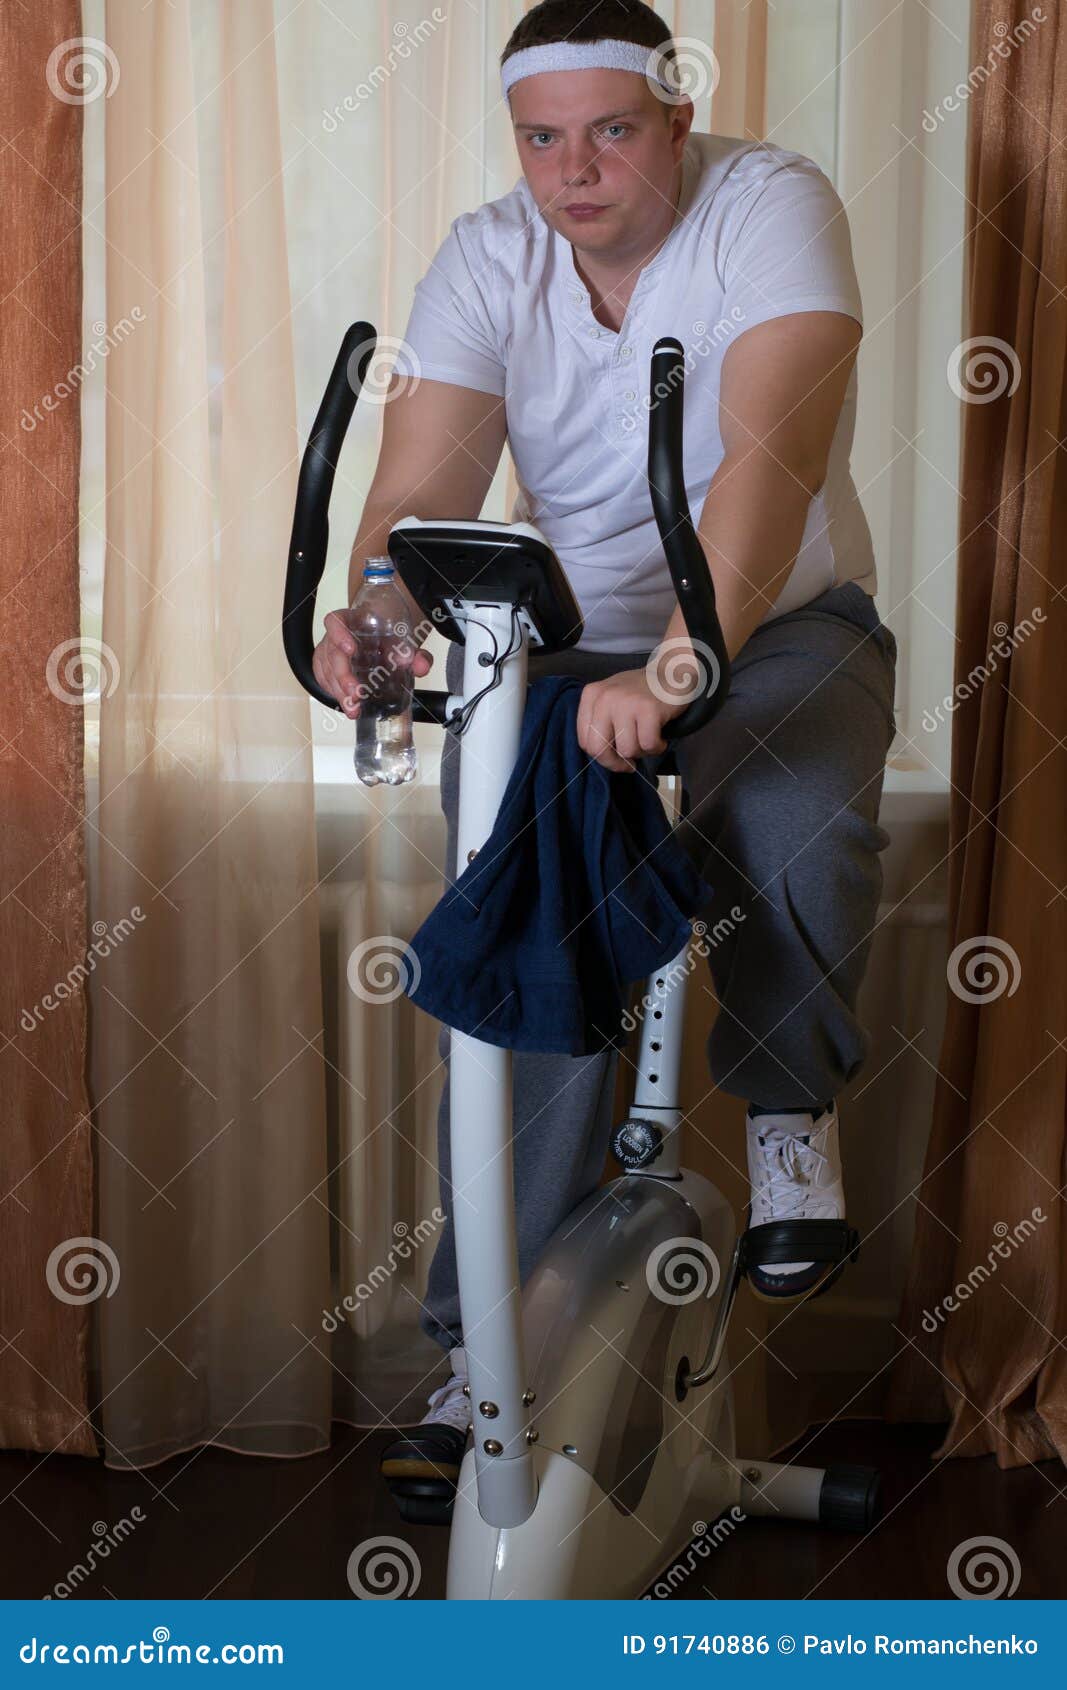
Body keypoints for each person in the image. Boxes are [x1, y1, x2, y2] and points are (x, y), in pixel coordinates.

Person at [312, 0, 897, 1492]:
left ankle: (784, 1117)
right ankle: (477, 1354)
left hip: (777, 621)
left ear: (675, 121)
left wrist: (689, 656)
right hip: (567, 649)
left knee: (794, 798)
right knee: (519, 941)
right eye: (543, 139)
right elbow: (417, 487)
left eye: (611, 132)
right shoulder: (491, 254)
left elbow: (769, 464)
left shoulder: (772, 211)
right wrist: (379, 606)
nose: (574, 170)